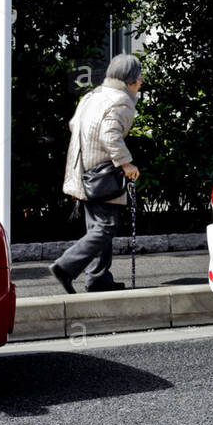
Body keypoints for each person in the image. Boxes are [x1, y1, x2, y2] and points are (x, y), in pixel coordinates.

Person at [49, 55, 142, 294]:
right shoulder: (121, 100)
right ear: (130, 79)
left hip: (82, 171)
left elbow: (74, 125)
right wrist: (127, 164)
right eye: (139, 76)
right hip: (102, 174)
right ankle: (65, 266)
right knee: (105, 228)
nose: (141, 80)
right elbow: (110, 135)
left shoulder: (93, 96)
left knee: (97, 229)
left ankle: (98, 279)